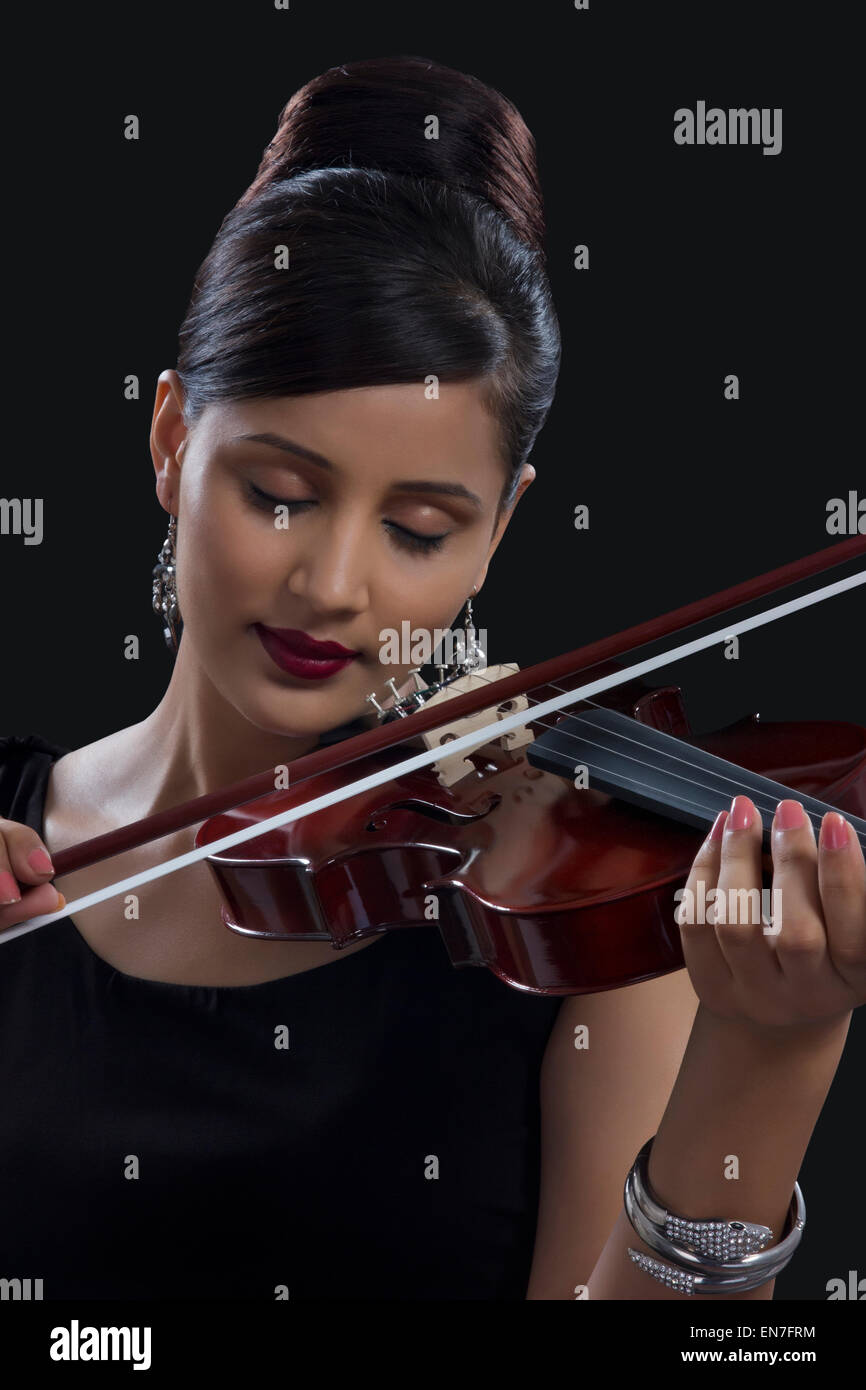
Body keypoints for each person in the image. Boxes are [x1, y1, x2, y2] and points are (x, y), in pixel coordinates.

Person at [1, 56, 863, 1302]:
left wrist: (766, 1056)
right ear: (172, 438)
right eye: (279, 495)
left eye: (417, 528)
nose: (335, 586)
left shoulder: (573, 930)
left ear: (499, 529)